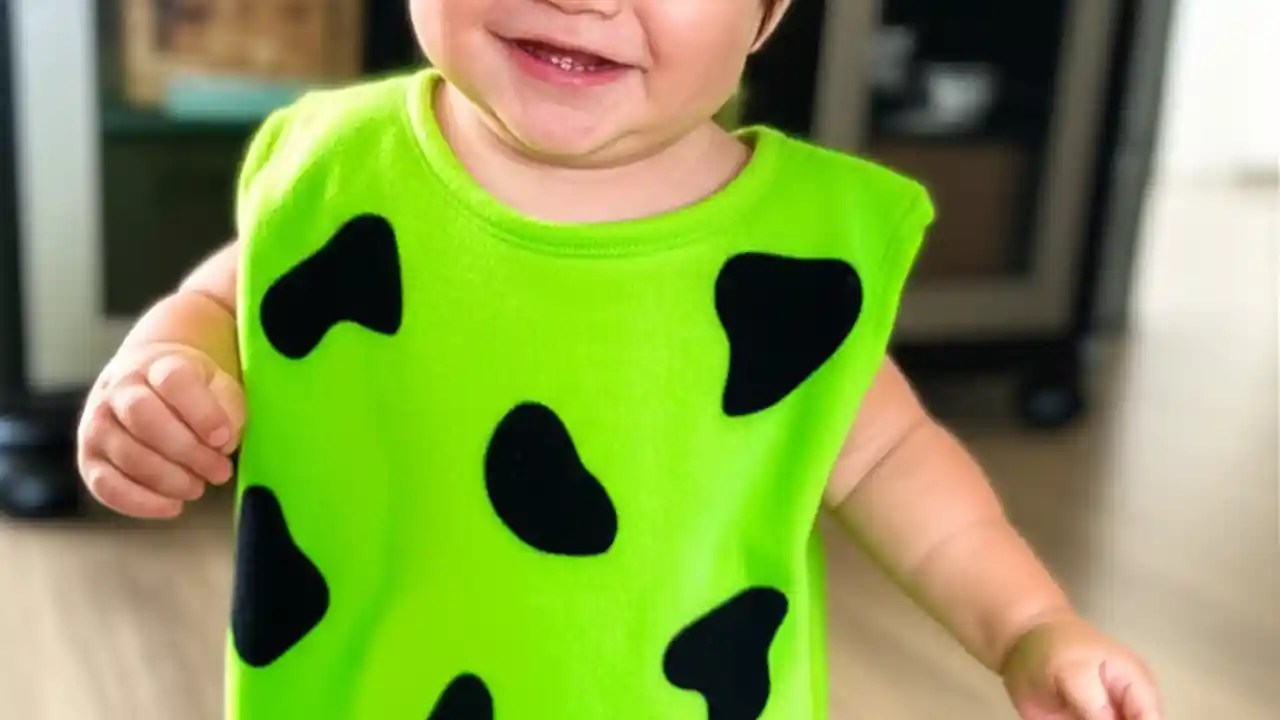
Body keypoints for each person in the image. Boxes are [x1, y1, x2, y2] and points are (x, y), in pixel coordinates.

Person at [75, 1, 1161, 718]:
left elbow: (888, 463)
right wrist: (165, 372)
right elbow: (224, 301)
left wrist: (1027, 626)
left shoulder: (790, 259)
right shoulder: (332, 172)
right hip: (360, 689)